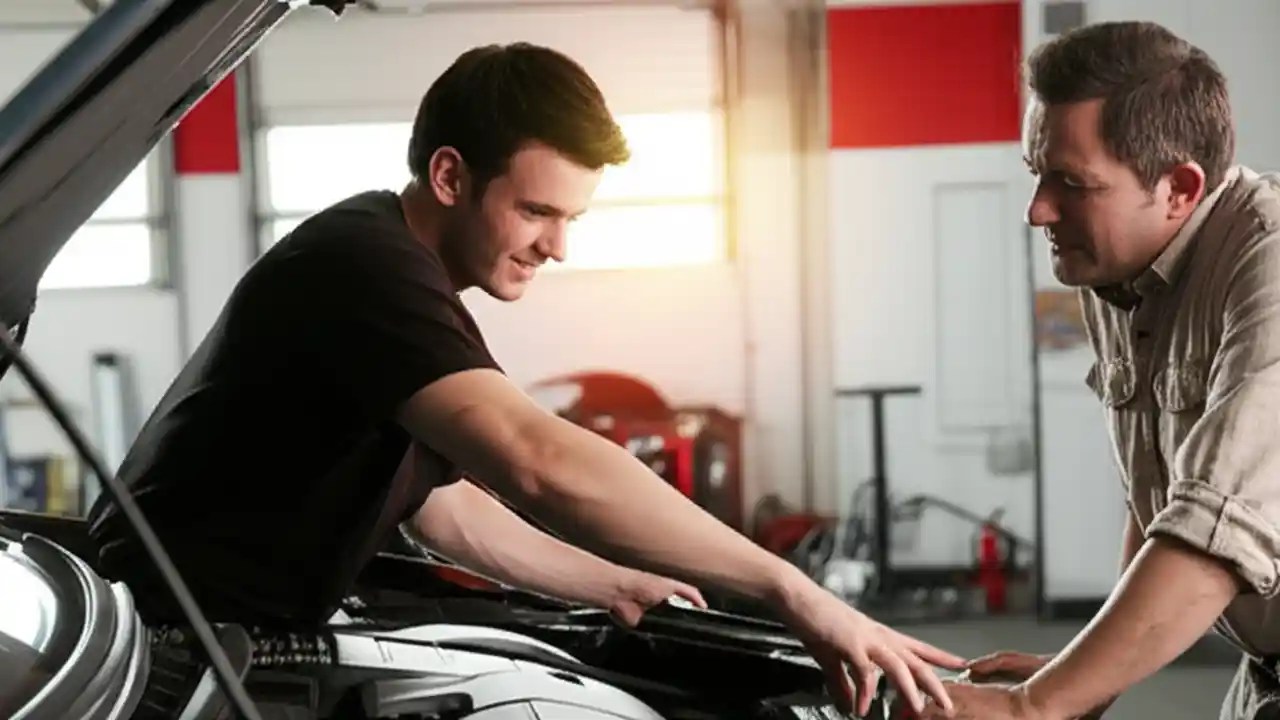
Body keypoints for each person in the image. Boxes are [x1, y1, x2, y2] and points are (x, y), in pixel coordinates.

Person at [86, 42, 966, 717]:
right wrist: (791, 589)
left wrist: (608, 581)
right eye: (537, 210)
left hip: (210, 639)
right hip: (170, 661)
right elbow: (538, 460)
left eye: (571, 216)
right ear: (449, 175)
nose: (558, 245)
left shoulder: (390, 274)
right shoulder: (365, 267)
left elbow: (443, 505)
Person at [918, 19, 1280, 720]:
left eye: (1071, 184)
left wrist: (1033, 706)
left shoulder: (1267, 267)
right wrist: (1088, 672)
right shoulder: (1122, 270)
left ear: (1178, 188)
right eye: (1036, 174)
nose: (1037, 210)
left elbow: (1215, 530)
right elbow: (1159, 497)